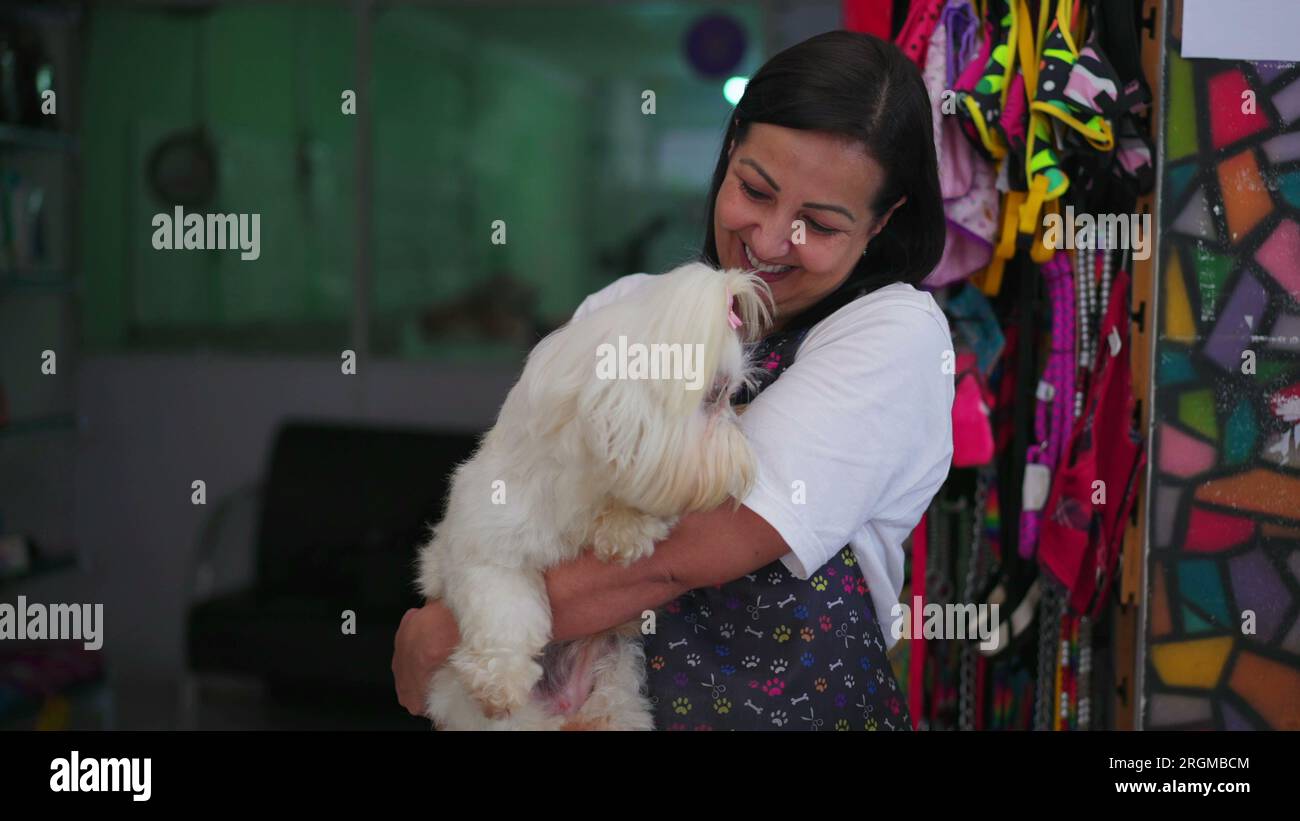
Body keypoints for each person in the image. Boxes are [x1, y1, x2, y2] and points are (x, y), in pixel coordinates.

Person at [393, 29, 954, 730]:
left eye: (819, 223)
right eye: (755, 188)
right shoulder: (619, 308)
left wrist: (450, 632)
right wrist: (481, 606)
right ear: (730, 148)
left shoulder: (893, 335)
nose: (772, 240)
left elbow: (687, 554)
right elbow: (518, 489)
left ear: (883, 222)